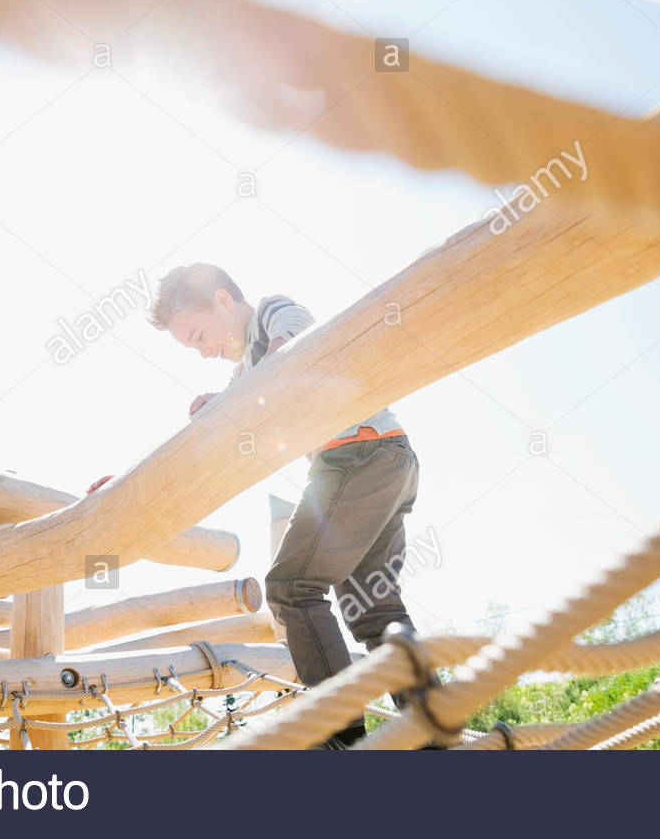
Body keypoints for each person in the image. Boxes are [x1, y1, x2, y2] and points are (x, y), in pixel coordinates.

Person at [89, 263, 421, 747]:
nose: (203, 352)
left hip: (357, 454)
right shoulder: (244, 375)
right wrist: (126, 484)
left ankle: (339, 736)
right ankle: (435, 731)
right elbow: (202, 443)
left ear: (224, 300)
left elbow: (297, 352)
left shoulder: (272, 313)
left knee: (291, 587)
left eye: (200, 335)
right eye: (192, 347)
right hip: (387, 458)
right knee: (373, 609)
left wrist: (230, 401)